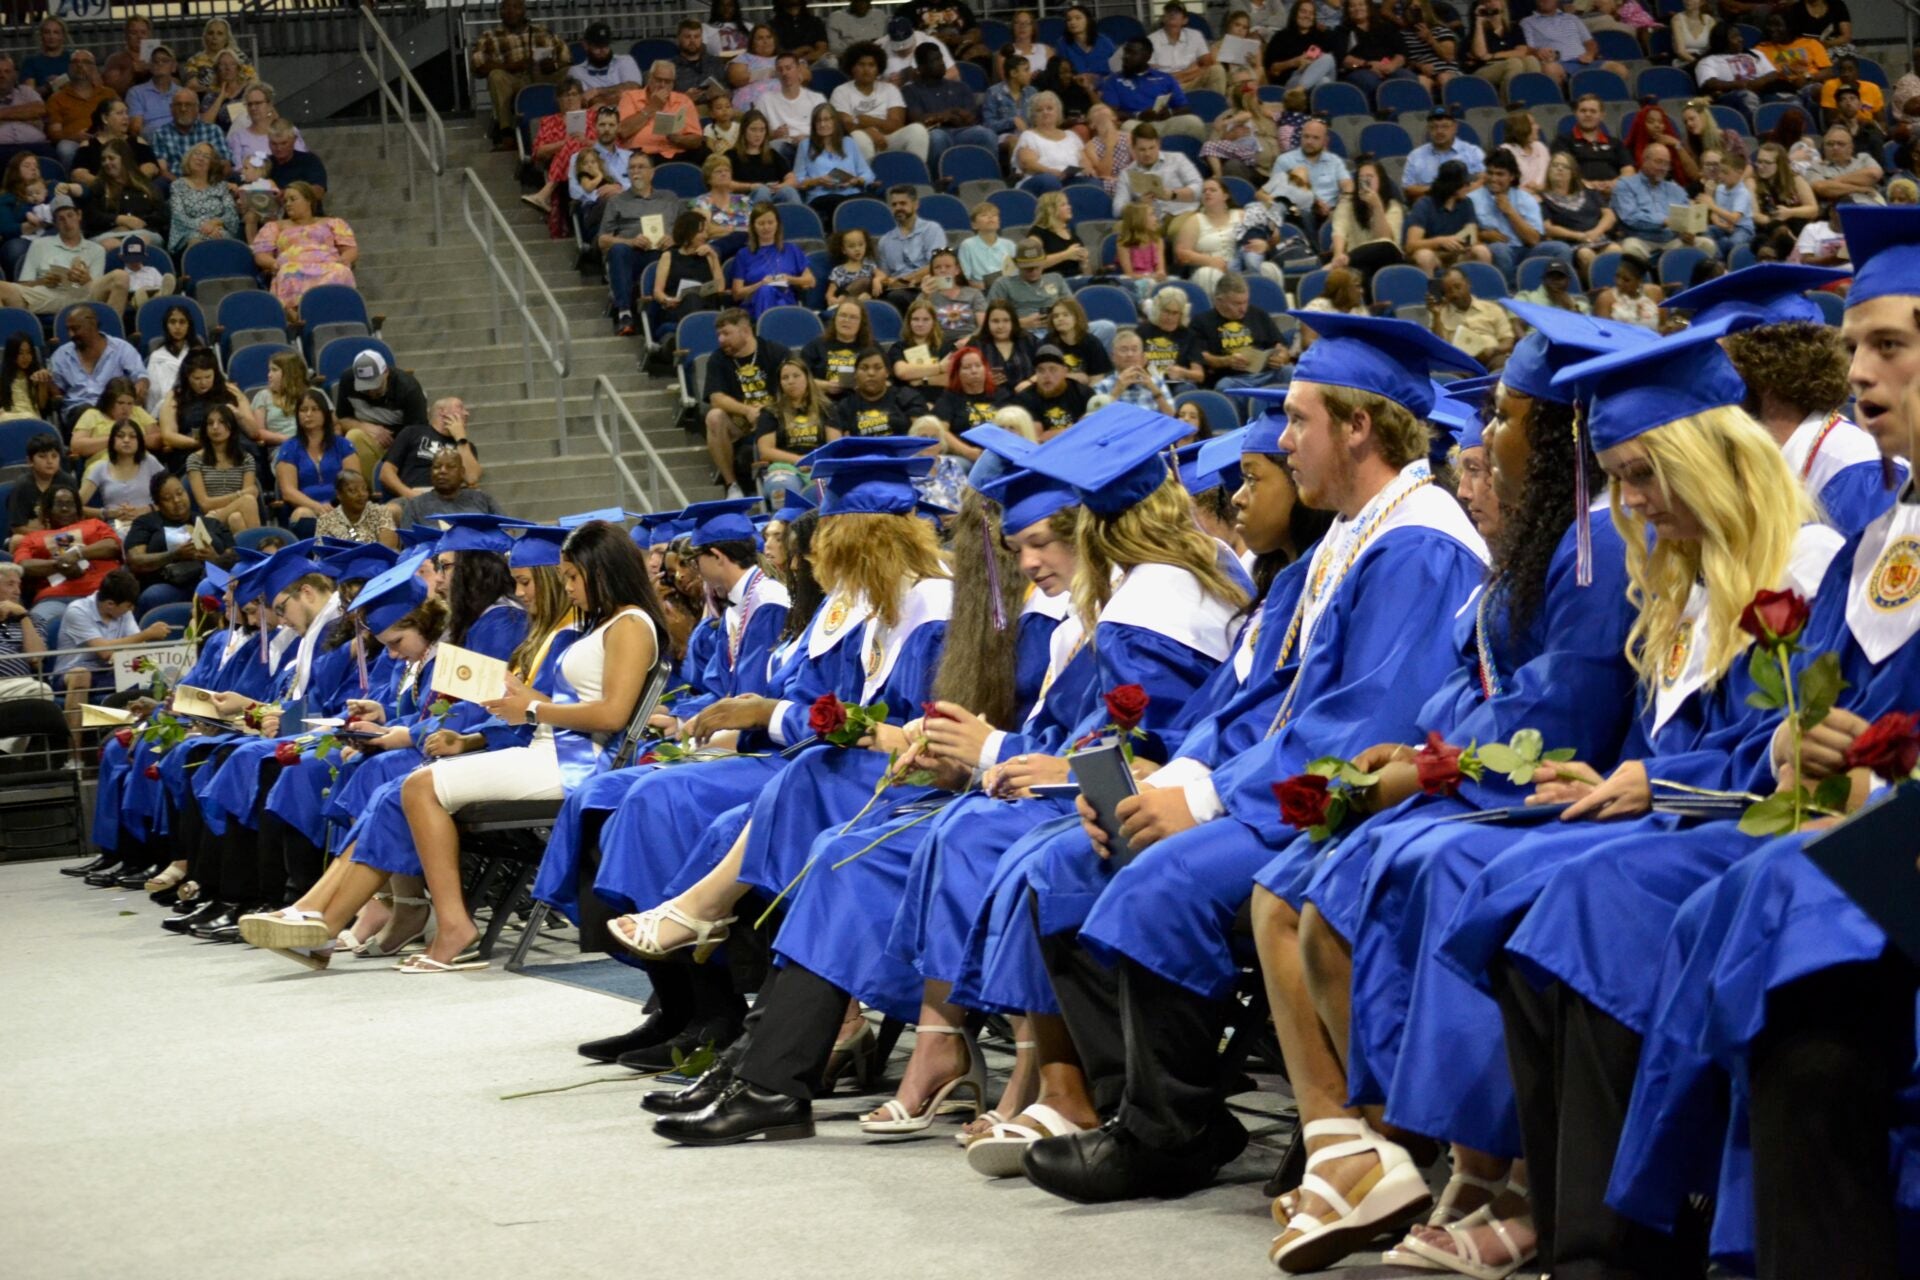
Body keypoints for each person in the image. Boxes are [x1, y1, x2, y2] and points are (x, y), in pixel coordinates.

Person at [52, 567, 168, 734]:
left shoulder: (123, 612)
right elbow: (104, 651)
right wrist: (148, 633)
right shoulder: (77, 610)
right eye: (128, 606)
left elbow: (138, 646)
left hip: (109, 673)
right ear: (109, 604)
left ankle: (133, 742)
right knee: (81, 675)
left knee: (151, 674)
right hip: (70, 674)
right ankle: (75, 756)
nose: (130, 611)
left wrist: (131, 650)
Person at [13, 481, 123, 635]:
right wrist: (60, 564)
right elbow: (23, 566)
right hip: (56, 598)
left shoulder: (94, 524)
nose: (65, 509)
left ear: (78, 509)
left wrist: (77, 554)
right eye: (59, 504)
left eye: (70, 504)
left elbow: (112, 547)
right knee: (32, 630)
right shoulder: (32, 538)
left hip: (101, 593)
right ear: (48, 510)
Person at [595, 152, 686, 335]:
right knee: (618, 249)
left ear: (652, 173)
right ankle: (624, 313)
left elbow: (688, 231)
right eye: (632, 167)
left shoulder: (669, 198)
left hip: (665, 253)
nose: (635, 171)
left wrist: (675, 239)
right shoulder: (616, 201)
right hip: (634, 254)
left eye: (641, 167)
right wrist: (629, 241)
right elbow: (602, 240)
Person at [704, 309, 789, 499]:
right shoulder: (718, 359)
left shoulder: (774, 351)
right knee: (714, 417)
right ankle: (732, 486)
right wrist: (748, 411)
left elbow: (796, 384)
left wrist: (768, 412)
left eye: (726, 334)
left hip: (776, 417)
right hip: (740, 423)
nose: (720, 340)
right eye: (718, 335)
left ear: (745, 331)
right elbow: (716, 398)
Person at [0, 196, 130, 319]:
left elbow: (96, 288)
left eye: (70, 215)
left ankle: (112, 332)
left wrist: (87, 280)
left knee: (121, 276)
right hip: (46, 295)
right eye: (61, 219)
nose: (67, 223)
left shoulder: (97, 250)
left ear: (79, 215)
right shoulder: (39, 244)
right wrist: (43, 281)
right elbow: (24, 285)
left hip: (83, 296)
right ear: (55, 224)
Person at [123, 471, 235, 611]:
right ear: (158, 504)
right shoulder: (145, 523)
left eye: (180, 493)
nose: (176, 500)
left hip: (210, 582)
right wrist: (174, 555)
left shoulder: (212, 523)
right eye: (167, 498)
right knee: (153, 596)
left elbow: (235, 560)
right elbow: (135, 560)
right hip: (170, 586)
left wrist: (215, 559)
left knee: (223, 592)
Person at [472, 0, 568, 147]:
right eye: (506, 8)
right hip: (513, 80)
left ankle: (574, 121)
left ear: (524, 10)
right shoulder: (489, 36)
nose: (510, 11)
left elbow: (567, 58)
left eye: (516, 7)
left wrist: (554, 65)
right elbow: (478, 66)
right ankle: (506, 132)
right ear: (500, 12)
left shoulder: (543, 32)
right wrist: (511, 66)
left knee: (571, 72)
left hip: (543, 76)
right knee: (496, 75)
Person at [1611, 141, 1714, 263]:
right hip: (1641, 239)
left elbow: (1687, 217)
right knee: (1631, 248)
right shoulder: (1625, 185)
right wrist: (1663, 222)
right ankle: (1646, 282)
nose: (1663, 168)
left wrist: (1689, 232)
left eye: (1667, 164)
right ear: (1644, 161)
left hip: (1673, 240)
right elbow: (1630, 217)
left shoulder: (1675, 189)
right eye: (1658, 162)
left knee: (1707, 245)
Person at [1471, 149, 1567, 276]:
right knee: (1500, 249)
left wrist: (1510, 212)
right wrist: (1482, 235)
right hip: (1495, 250)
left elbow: (1534, 240)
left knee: (1561, 248)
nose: (1493, 179)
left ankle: (1563, 291)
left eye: (1500, 174)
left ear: (1512, 176)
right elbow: (1464, 234)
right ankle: (1510, 291)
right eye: (1490, 173)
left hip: (1526, 250)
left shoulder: (1526, 199)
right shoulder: (1472, 199)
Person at [901, 42, 994, 174]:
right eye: (935, 60)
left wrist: (948, 117)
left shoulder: (960, 87)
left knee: (986, 134)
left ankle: (989, 178)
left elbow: (971, 118)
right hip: (933, 135)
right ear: (921, 68)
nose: (941, 63)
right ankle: (938, 181)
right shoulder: (910, 90)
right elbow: (918, 120)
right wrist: (949, 114)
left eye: (941, 58)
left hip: (962, 132)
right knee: (938, 137)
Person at [158, 348, 257, 471]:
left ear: (215, 374)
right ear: (187, 377)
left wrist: (238, 416)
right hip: (195, 448)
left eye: (208, 377)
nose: (203, 383)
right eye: (197, 378)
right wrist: (206, 443)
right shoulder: (175, 396)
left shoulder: (231, 392)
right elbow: (168, 436)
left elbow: (254, 432)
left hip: (233, 446)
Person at [47, 303, 144, 427]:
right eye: (68, 329)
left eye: (75, 329)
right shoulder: (61, 355)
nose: (70, 335)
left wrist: (141, 386)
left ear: (92, 325)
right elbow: (57, 394)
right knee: (89, 412)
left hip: (115, 410)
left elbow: (141, 376)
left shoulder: (121, 348)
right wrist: (48, 382)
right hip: (78, 414)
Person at [275, 390, 360, 527]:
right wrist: (317, 507)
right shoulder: (289, 448)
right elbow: (288, 491)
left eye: (315, 409)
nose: (308, 414)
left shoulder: (343, 445)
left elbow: (354, 485)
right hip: (306, 507)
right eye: (303, 410)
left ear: (325, 414)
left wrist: (335, 507)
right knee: (303, 514)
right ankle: (312, 549)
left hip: (341, 506)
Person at [336, 349, 429, 472]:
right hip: (368, 442)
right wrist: (364, 427)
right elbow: (341, 419)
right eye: (365, 387)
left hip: (401, 446)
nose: (371, 392)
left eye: (375, 385)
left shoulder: (408, 389)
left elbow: (418, 434)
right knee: (353, 436)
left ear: (386, 372)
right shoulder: (348, 381)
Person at [1099, 38, 1207, 143]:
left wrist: (1170, 112)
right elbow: (1111, 112)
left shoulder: (1165, 78)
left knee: (1194, 122)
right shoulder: (1114, 80)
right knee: (1127, 128)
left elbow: (1185, 107)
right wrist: (1138, 115)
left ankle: (1202, 159)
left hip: (1164, 122)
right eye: (1126, 53)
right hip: (1136, 123)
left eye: (1132, 53)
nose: (1126, 57)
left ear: (1147, 56)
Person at [753, 356, 832, 499]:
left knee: (824, 490)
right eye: (785, 378)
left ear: (807, 379)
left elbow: (834, 445)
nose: (791, 381)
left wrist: (813, 463)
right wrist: (799, 460)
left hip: (820, 467)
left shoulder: (826, 409)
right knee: (782, 489)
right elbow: (765, 451)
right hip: (784, 468)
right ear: (780, 384)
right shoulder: (771, 412)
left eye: (796, 376)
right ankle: (785, 521)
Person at [1264, 116, 1350, 243]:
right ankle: (1317, 252)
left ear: (1325, 141)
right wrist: (1315, 201)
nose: (1309, 141)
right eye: (1306, 136)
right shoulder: (1285, 160)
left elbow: (1348, 185)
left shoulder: (1334, 161)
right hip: (1298, 211)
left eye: (1315, 138)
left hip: (1330, 212)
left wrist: (1342, 204)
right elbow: (1276, 194)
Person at [832, 41, 916, 163]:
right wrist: (868, 130)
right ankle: (870, 180)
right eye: (861, 65)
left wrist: (868, 121)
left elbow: (896, 125)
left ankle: (915, 174)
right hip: (859, 137)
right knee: (859, 136)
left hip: (888, 138)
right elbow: (846, 125)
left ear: (878, 69)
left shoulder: (890, 89)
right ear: (852, 67)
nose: (866, 69)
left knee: (917, 130)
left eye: (871, 65)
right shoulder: (841, 91)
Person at [791, 102, 874, 222]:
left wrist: (855, 180)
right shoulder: (805, 146)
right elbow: (797, 180)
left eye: (826, 120)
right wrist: (817, 181)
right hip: (821, 196)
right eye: (818, 121)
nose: (823, 124)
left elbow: (867, 174)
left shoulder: (849, 142)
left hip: (850, 192)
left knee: (871, 199)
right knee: (837, 202)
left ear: (835, 122)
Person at [185, 403, 262, 534]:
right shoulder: (195, 459)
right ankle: (261, 549)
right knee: (247, 500)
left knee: (236, 518)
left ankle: (248, 553)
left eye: (221, 422)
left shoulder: (246, 459)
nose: (215, 427)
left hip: (238, 514)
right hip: (210, 519)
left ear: (231, 426)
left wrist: (241, 499)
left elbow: (249, 494)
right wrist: (239, 496)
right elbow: (204, 504)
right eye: (210, 423)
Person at [731, 199, 813, 321]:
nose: (766, 227)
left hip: (785, 301)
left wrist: (789, 279)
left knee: (771, 293)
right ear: (753, 226)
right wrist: (760, 284)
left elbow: (810, 281)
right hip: (754, 305)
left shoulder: (791, 249)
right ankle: (767, 328)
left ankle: (768, 330)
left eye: (770, 222)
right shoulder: (743, 254)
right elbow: (737, 294)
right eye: (761, 223)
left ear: (777, 224)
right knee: (765, 290)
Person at [1407, 158, 1492, 273]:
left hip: (1457, 255)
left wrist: (1467, 243)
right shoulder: (1424, 205)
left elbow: (1472, 237)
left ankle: (1482, 290)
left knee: (1481, 251)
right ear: (1453, 185)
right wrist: (1439, 241)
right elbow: (1411, 245)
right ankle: (1429, 290)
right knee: (1424, 256)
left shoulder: (1467, 203)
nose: (1469, 187)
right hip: (1434, 255)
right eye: (1465, 184)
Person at [78, 418, 165, 526]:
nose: (126, 440)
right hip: (115, 529)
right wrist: (106, 513)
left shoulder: (150, 462)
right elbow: (75, 506)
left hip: (149, 524)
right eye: (120, 436)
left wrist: (147, 509)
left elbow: (171, 497)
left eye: (133, 436)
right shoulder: (100, 468)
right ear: (112, 441)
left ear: (140, 442)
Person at [1428, 265, 1516, 368]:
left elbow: (1508, 342)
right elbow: (1439, 348)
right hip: (1461, 363)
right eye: (1448, 291)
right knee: (1450, 372)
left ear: (1468, 284)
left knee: (1504, 365)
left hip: (1493, 357)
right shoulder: (1439, 315)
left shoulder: (1492, 309)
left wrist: (1493, 350)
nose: (1454, 293)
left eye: (1457, 287)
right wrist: (1436, 315)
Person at [1111, 125, 1204, 222]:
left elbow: (1199, 187)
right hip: (1150, 222)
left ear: (1159, 144)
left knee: (1181, 226)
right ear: (1133, 148)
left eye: (1151, 148)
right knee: (1120, 229)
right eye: (1142, 149)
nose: (1147, 153)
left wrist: (1173, 195)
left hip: (1182, 214)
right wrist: (1139, 205)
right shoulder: (1126, 173)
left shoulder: (1177, 159)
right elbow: (1117, 209)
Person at [1694, 22, 1787, 119]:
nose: (1740, 39)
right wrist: (1737, 85)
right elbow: (1709, 83)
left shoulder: (1755, 54)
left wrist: (1755, 83)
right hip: (1731, 97)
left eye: (1740, 35)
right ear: (1722, 41)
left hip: (1763, 92)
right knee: (1748, 96)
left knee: (1789, 99)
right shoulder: (1708, 61)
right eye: (1734, 37)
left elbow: (1772, 74)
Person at [1519, 0, 1628, 82]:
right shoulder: (1527, 22)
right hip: (1559, 63)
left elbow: (1590, 43)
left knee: (1619, 69)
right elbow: (1529, 49)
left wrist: (1590, 54)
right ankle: (1562, 107)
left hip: (1583, 60)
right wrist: (1538, 52)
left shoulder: (1572, 18)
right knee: (1550, 69)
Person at [394, 447, 504, 526]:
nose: (442, 471)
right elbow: (409, 544)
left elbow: (507, 528)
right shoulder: (415, 505)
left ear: (462, 472)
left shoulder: (482, 499)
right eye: (437, 466)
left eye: (450, 466)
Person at [166, 141, 240, 254]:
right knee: (196, 240)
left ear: (212, 164)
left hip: (218, 230)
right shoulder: (178, 186)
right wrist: (205, 225)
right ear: (189, 157)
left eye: (206, 156)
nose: (200, 158)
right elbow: (179, 216)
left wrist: (216, 222)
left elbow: (231, 214)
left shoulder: (221, 186)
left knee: (222, 237)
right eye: (197, 153)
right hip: (188, 232)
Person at [833, 345, 924, 437]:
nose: (871, 373)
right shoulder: (845, 407)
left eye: (878, 368)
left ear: (887, 372)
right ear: (855, 374)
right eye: (864, 368)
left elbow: (920, 436)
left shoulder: (907, 398)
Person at [986, 239, 1071, 337]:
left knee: (1092, 327)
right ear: (1017, 264)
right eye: (1027, 268)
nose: (1033, 271)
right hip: (1024, 333)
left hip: (1058, 329)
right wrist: (1020, 323)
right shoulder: (1003, 284)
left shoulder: (1056, 278)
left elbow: (1073, 310)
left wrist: (1060, 319)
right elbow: (990, 320)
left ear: (1044, 261)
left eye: (1037, 267)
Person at [1552, 93, 1632, 197]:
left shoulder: (1615, 143)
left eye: (1593, 111)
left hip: (1614, 194)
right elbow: (1561, 171)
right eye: (1583, 111)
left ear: (1602, 115)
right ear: (1576, 114)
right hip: (1579, 194)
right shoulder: (1562, 141)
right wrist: (1588, 185)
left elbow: (1629, 170)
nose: (1588, 114)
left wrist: (1615, 184)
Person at [44, 51, 112, 168]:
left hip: (107, 137)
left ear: (94, 68)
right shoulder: (57, 98)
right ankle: (76, 183)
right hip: (73, 141)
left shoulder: (108, 94)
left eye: (85, 62)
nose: (80, 65)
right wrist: (74, 136)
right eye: (75, 62)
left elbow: (122, 120)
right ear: (69, 68)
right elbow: (54, 134)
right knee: (65, 148)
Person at [1402, 108, 1487, 204]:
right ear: (1428, 129)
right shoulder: (1415, 156)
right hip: (1431, 207)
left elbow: (1484, 180)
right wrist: (1442, 189)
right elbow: (1408, 189)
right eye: (1434, 127)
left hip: (1466, 205)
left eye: (1445, 126)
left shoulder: (1473, 152)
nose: (1439, 131)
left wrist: (1459, 193)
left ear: (1455, 127)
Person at [1338, 0, 1417, 98]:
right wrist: (1367, 65)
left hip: (1390, 67)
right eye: (1352, 6)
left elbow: (1402, 52)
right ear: (1347, 10)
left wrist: (1392, 65)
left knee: (1408, 77)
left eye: (1361, 5)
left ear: (1369, 7)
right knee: (1370, 82)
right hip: (1360, 69)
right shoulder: (1342, 31)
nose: (1357, 9)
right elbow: (1343, 59)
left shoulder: (1386, 27)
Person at [1014, 345, 1092, 438]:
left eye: (1053, 369)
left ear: (1065, 372)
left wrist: (1053, 434)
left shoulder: (1083, 393)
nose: (1046, 376)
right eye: (1041, 370)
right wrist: (1077, 428)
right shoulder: (1026, 398)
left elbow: (1092, 430)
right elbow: (1038, 439)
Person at [6, 432, 68, 541]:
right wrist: (48, 535)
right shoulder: (22, 487)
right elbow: (17, 528)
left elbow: (76, 515)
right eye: (42, 456)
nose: (50, 461)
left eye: (54, 456)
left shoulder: (67, 481)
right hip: (30, 538)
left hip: (63, 536)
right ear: (30, 461)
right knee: (17, 539)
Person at [1267, 0, 1339, 92]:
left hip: (1315, 75)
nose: (1307, 16)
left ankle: (1298, 91)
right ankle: (1300, 91)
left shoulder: (1321, 36)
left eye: (1311, 13)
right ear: (1295, 13)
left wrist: (1312, 63)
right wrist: (1294, 62)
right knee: (1323, 81)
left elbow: (1331, 63)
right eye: (1303, 12)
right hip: (1295, 78)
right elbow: (1273, 69)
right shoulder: (1281, 36)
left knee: (1328, 58)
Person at [569, 22, 644, 109]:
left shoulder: (625, 61)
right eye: (597, 46)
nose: (602, 51)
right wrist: (620, 94)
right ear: (585, 45)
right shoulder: (576, 72)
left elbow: (634, 88)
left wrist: (598, 91)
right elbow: (589, 101)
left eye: (606, 45)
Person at [973, 298, 1038, 390]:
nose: (1000, 326)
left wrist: (1030, 382)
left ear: (1013, 322)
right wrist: (983, 379)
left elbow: (1049, 366)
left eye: (1006, 320)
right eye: (995, 321)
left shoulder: (1028, 340)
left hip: (1029, 395)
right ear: (987, 323)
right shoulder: (977, 344)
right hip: (990, 399)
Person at [0, 54, 52, 170]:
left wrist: (2, 114)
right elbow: (32, 111)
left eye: (7, 71)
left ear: (15, 75)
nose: (2, 76)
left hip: (36, 147)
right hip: (2, 149)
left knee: (52, 163)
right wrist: (23, 113)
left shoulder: (26, 91)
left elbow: (39, 110)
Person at [1594, 249, 1661, 325]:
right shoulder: (1606, 299)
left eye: (1626, 280)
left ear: (1639, 281)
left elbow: (1662, 327)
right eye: (1617, 276)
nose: (1619, 282)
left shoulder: (1655, 292)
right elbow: (1603, 332)